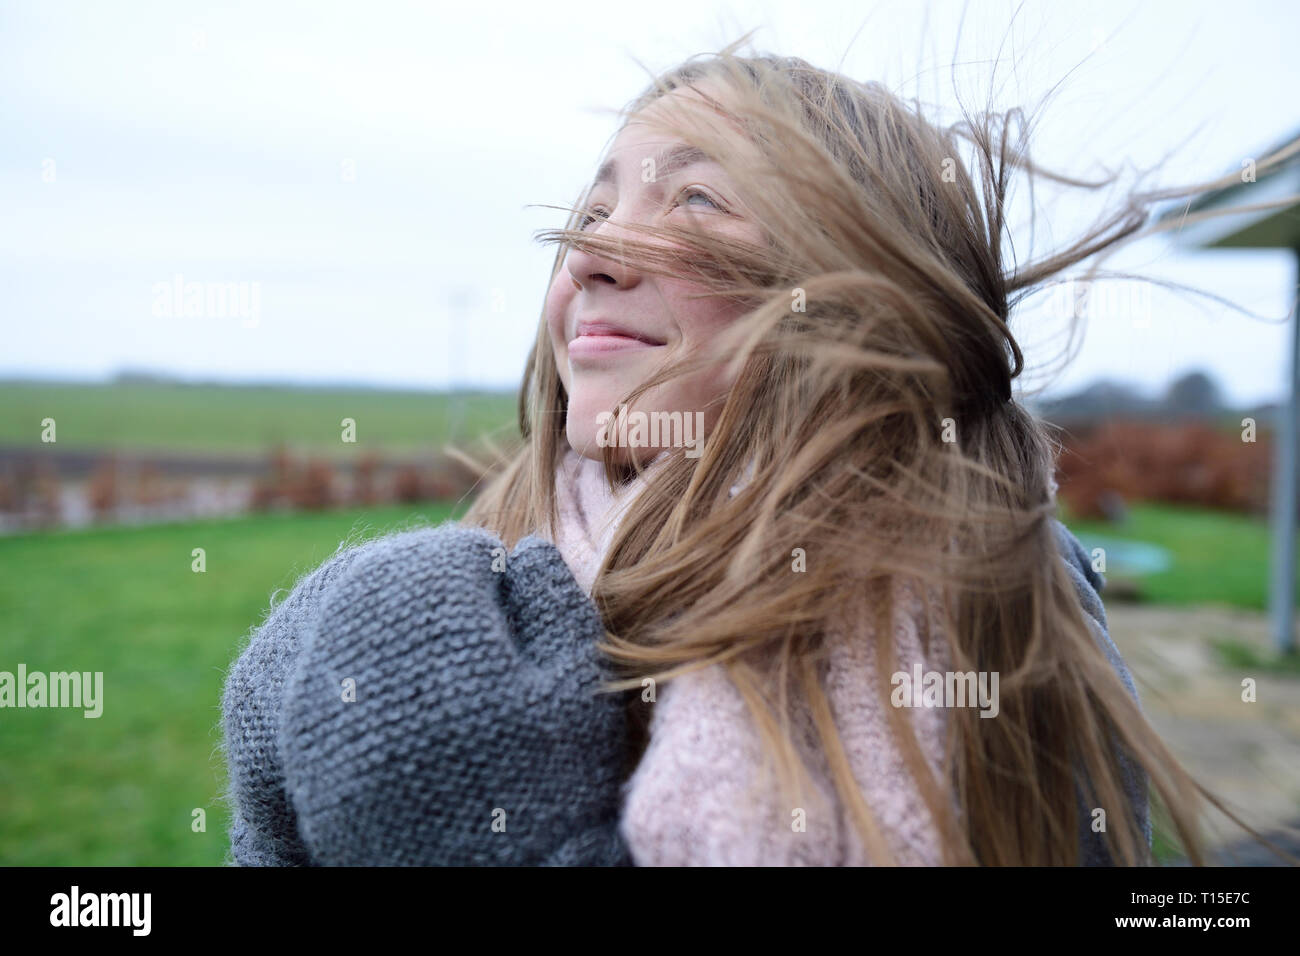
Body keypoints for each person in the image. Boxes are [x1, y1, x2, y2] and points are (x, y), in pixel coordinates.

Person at [223, 45, 1289, 866]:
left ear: (854, 269)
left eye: (692, 199)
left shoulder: (1001, 598)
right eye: (591, 211)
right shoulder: (478, 587)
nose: (589, 251)